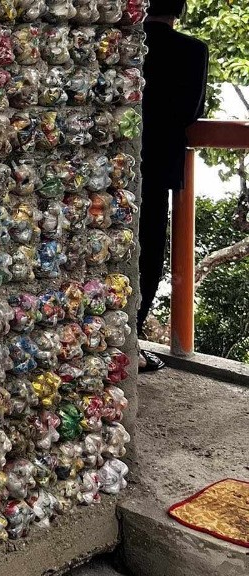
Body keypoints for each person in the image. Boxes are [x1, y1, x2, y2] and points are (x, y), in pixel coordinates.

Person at [138, 0, 209, 372]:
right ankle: (129, 342)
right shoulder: (193, 50)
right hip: (159, 163)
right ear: (179, 9)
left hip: (109, 159)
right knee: (148, 254)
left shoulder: (126, 45)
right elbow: (190, 112)